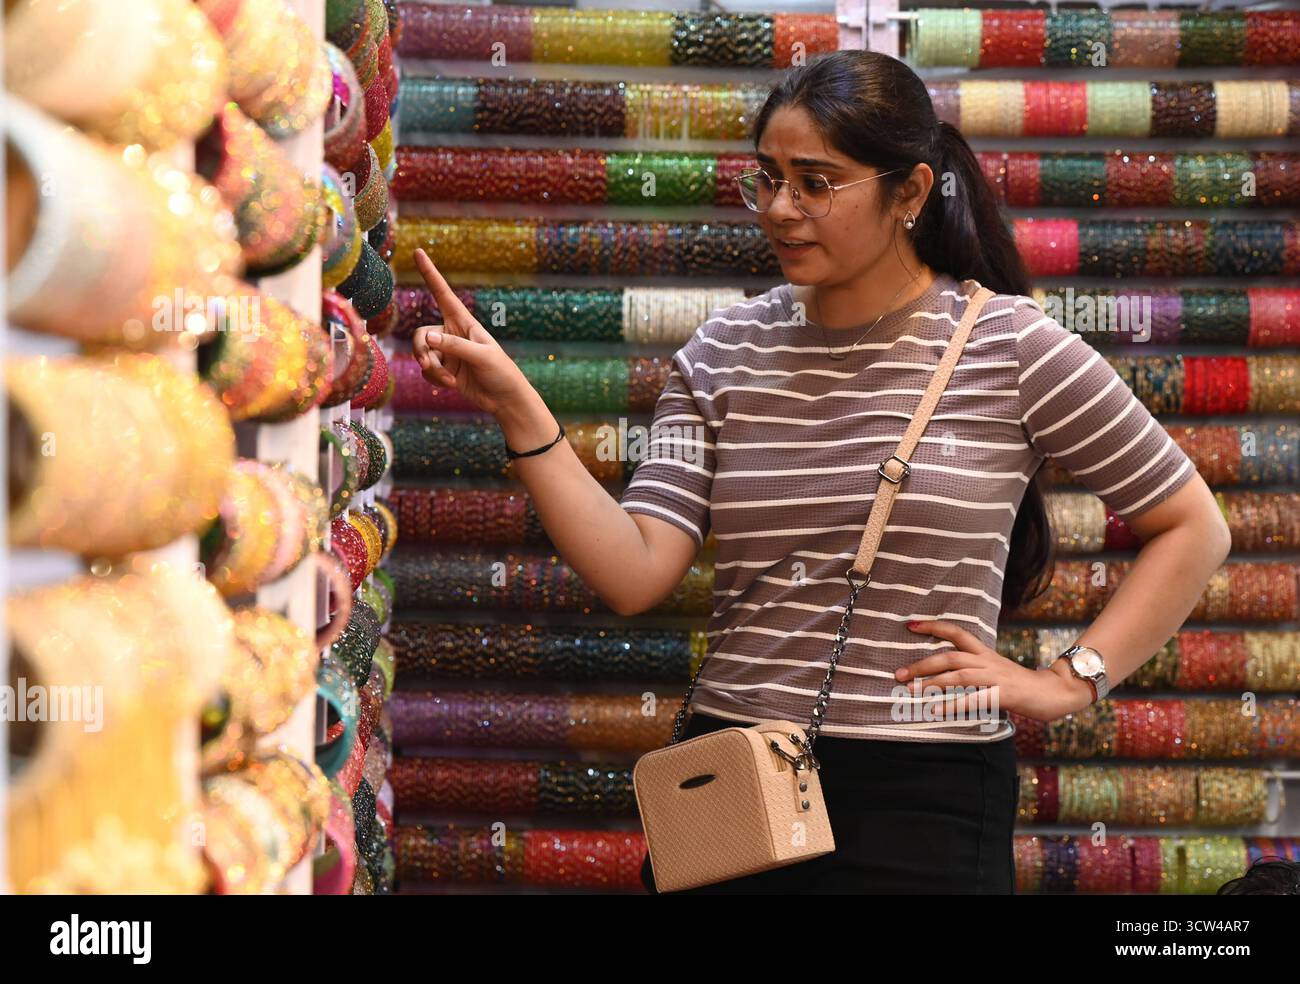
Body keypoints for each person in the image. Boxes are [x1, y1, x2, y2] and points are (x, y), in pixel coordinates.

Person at [410, 49, 1232, 894]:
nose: (780, 209)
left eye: (816, 182)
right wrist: (521, 411)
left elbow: (1194, 528)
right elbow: (635, 570)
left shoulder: (1010, 347)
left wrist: (1069, 681)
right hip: (733, 776)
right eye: (766, 179)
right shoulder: (720, 355)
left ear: (909, 192)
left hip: (924, 798)